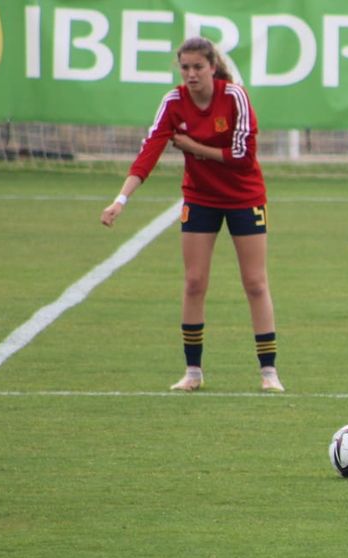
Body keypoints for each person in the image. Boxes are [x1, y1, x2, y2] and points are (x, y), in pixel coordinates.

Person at [100, 37, 282, 393]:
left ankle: (269, 372)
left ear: (212, 67)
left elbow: (243, 156)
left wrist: (194, 147)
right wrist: (121, 199)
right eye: (185, 67)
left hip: (245, 198)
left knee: (255, 283)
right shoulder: (173, 102)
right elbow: (150, 150)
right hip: (200, 199)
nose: (191, 74)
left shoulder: (234, 97)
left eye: (198, 67)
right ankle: (193, 372)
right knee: (194, 282)